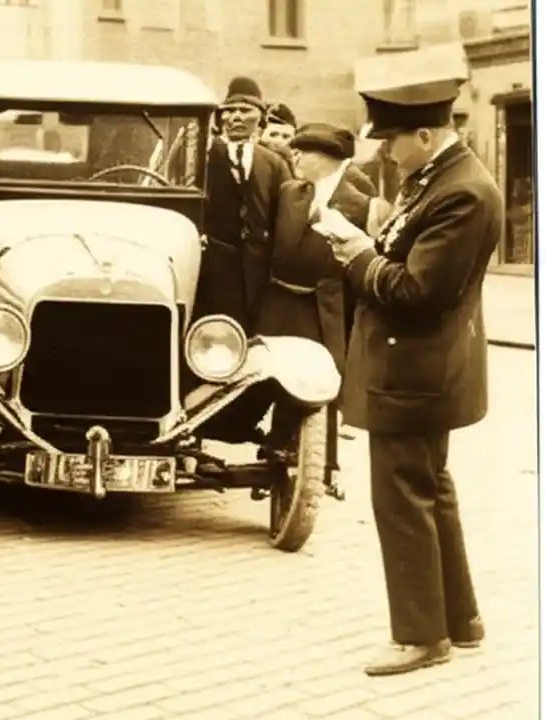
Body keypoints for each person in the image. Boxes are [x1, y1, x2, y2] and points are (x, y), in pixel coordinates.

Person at [314, 70, 498, 677]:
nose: (383, 151)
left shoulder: (460, 192)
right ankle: (459, 620)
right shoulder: (438, 178)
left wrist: (356, 254)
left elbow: (416, 289)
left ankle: (420, 636)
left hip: (413, 368)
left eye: (391, 140)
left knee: (402, 496)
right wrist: (372, 245)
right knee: (430, 487)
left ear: (424, 133)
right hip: (419, 366)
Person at [253, 123, 375, 487]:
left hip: (328, 307)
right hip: (281, 300)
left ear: (326, 158)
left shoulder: (361, 202)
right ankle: (277, 450)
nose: (294, 158)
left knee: (323, 382)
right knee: (277, 375)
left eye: (301, 152)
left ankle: (323, 466)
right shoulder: (289, 192)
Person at [196, 76, 292, 444]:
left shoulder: (275, 163)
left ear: (260, 118)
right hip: (213, 271)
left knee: (254, 348)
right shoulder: (203, 160)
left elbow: (286, 215)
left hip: (258, 274)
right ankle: (198, 426)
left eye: (245, 110)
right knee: (210, 342)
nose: (236, 117)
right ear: (219, 118)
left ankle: (236, 422)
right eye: (229, 110)